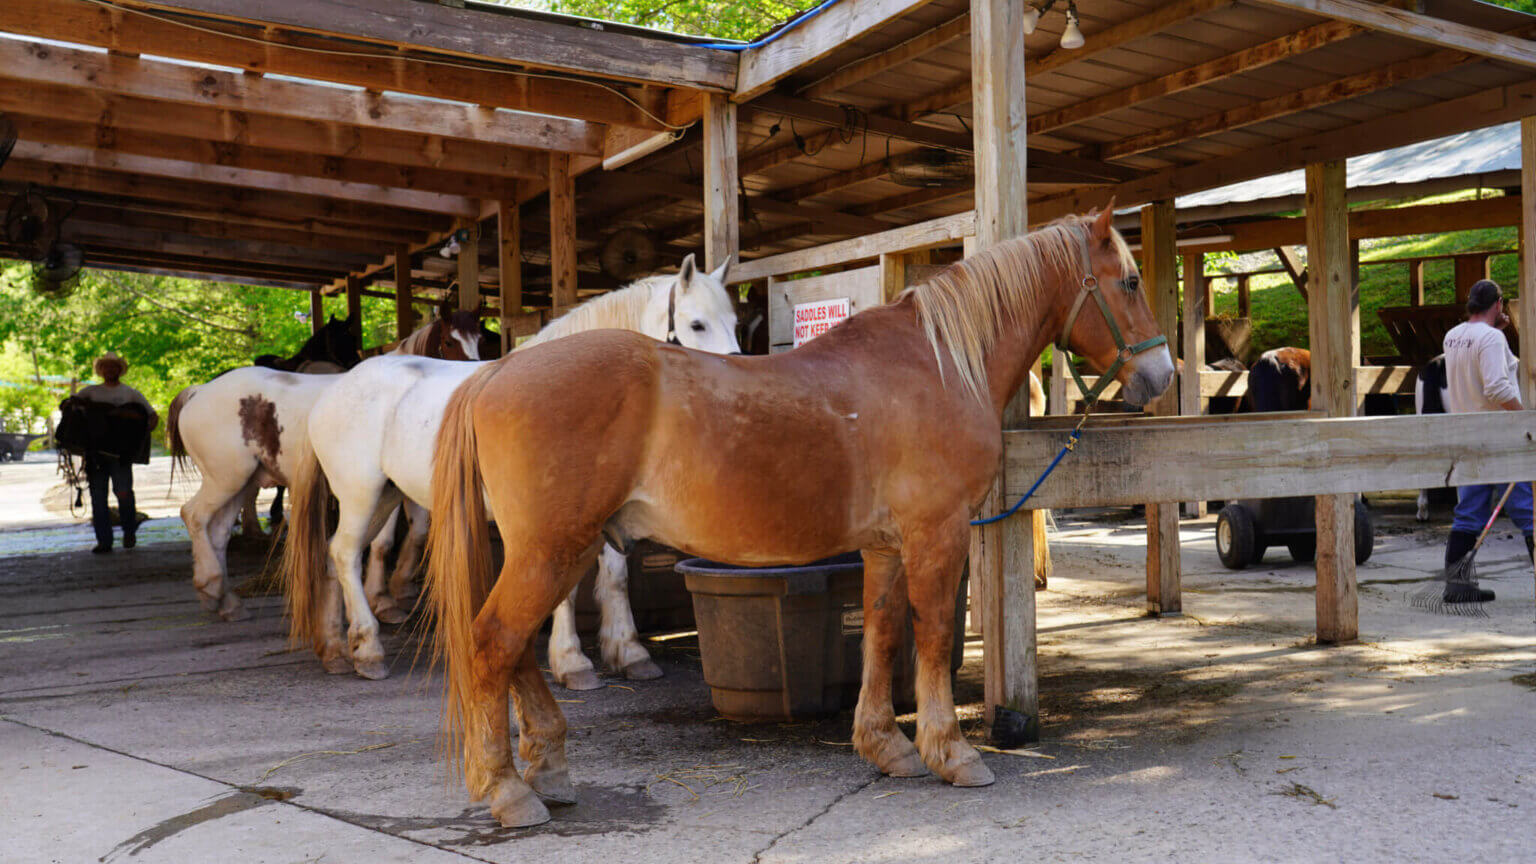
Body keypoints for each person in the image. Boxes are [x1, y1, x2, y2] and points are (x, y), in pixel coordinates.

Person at [1441, 279, 1531, 603]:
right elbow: (1495, 387)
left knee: (1468, 512)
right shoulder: (1491, 338)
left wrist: (1498, 331)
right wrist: (1524, 418)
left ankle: (1457, 585)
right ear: (1498, 304)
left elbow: (1476, 371)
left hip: (1467, 435)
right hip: (1498, 437)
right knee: (1529, 510)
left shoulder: (1453, 336)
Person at [74, 352, 158, 554]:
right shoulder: (90, 393)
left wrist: (139, 437)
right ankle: (104, 542)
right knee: (98, 498)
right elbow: (71, 408)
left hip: (121, 455)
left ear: (120, 370)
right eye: (106, 366)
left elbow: (152, 415)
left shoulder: (130, 394)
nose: (110, 370)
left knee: (124, 493)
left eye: (113, 366)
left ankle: (129, 532)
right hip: (96, 456)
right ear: (101, 370)